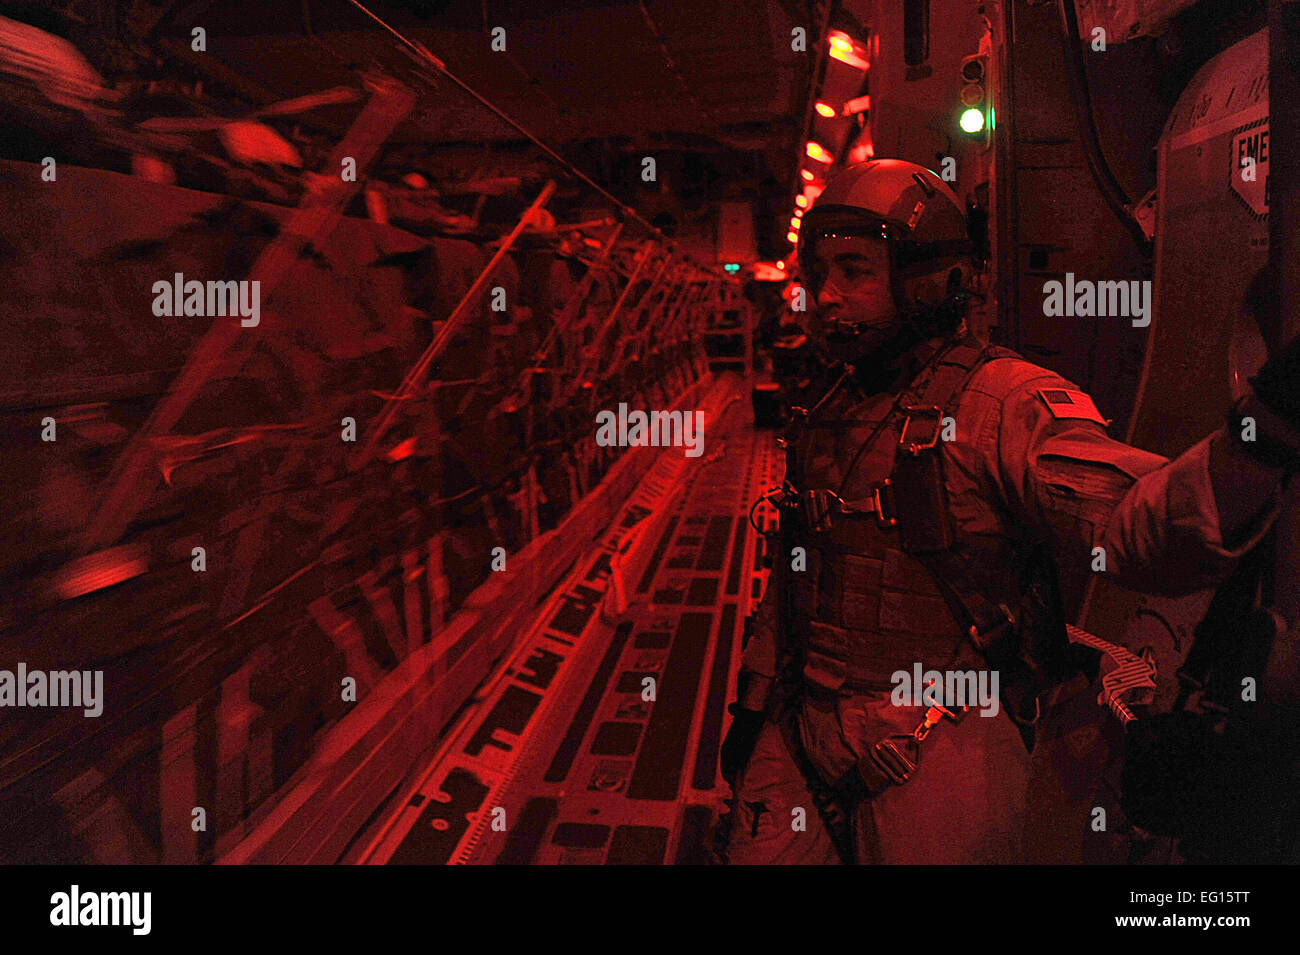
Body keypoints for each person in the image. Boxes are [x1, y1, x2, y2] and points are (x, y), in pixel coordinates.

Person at [718, 158, 1299, 864]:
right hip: (802, 730)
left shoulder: (1002, 404)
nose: (826, 297)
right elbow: (796, 574)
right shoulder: (828, 408)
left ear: (930, 282)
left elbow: (1135, 527)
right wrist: (754, 703)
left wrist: (1263, 431)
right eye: (819, 274)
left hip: (933, 740)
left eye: (854, 271)